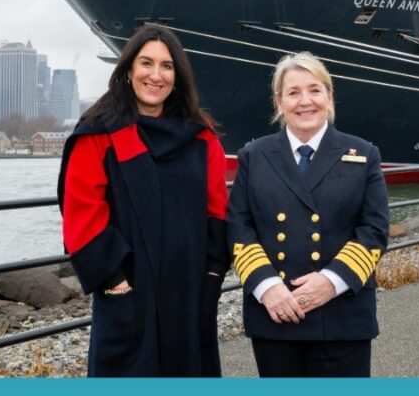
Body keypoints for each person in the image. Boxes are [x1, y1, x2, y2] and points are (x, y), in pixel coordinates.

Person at [57, 24, 228, 377]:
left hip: (189, 296)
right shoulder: (99, 133)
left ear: (178, 76)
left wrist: (211, 277)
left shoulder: (201, 136)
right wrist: (115, 283)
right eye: (146, 63)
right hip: (130, 296)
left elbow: (217, 211)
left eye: (166, 66)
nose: (156, 75)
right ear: (128, 71)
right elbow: (81, 214)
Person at [226, 52, 389, 377]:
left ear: (329, 97)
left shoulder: (363, 154)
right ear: (278, 102)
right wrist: (267, 286)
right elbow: (238, 227)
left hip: (342, 314)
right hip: (276, 314)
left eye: (314, 90)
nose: (305, 101)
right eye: (293, 92)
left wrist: (331, 282)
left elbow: (374, 229)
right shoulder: (253, 156)